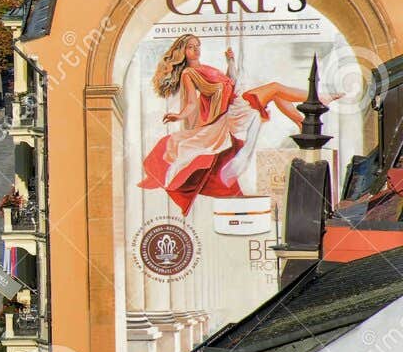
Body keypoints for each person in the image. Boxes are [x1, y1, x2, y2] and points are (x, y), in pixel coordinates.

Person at [138, 33, 325, 216]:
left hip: (235, 104)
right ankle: (318, 99)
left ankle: (301, 121)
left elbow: (229, 82)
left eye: (198, 45)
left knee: (274, 92)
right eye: (191, 47)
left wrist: (230, 62)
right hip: (231, 113)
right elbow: (192, 104)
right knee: (274, 88)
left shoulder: (207, 68)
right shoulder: (189, 73)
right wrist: (178, 116)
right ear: (182, 51)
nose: (196, 50)